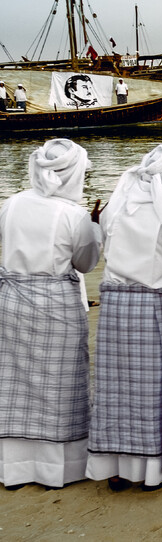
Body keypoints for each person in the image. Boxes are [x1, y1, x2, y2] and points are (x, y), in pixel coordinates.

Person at [86, 145, 162, 492]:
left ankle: (117, 470)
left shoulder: (114, 211)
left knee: (115, 388)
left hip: (115, 308)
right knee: (157, 389)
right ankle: (154, 472)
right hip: (156, 306)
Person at [0, 139, 101, 489]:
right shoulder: (73, 214)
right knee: (61, 382)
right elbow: (85, 263)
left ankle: (14, 468)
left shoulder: (11, 203)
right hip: (55, 303)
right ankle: (59, 469)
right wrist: (97, 229)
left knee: (15, 381)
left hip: (11, 300)